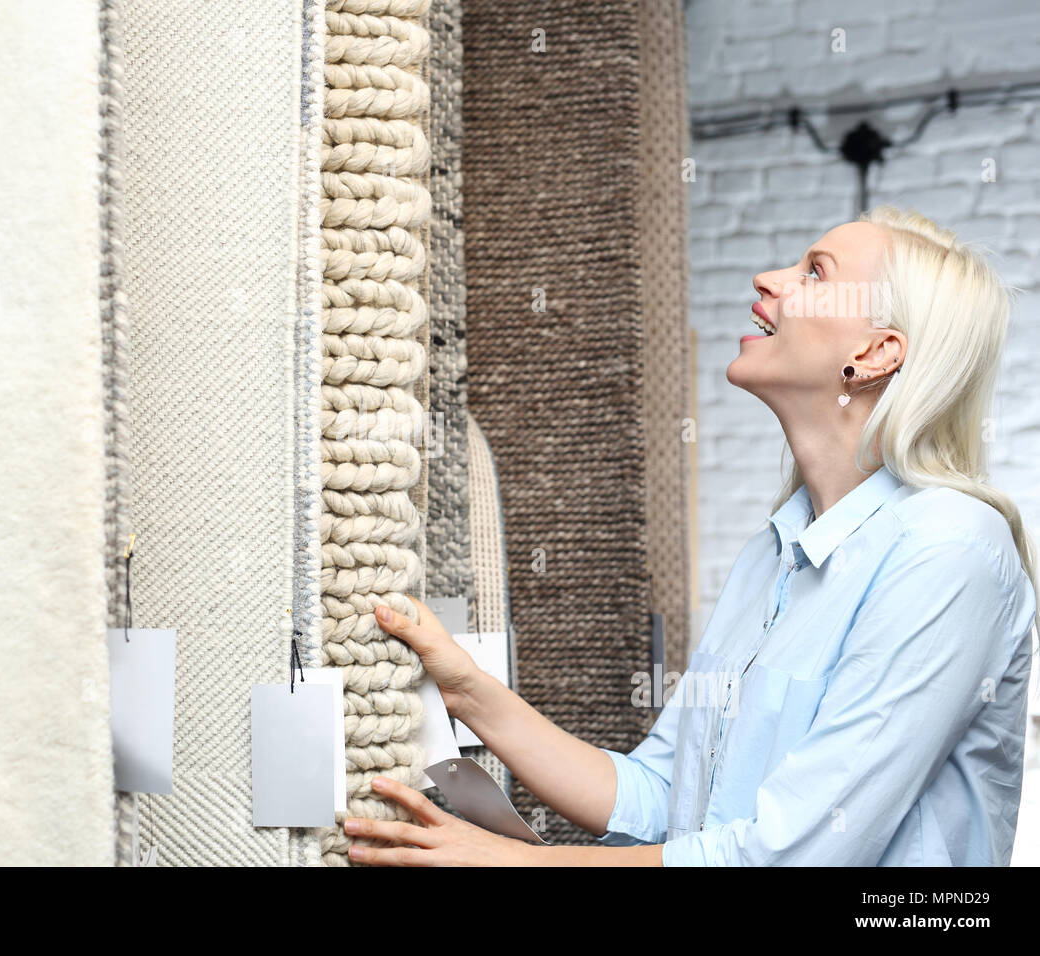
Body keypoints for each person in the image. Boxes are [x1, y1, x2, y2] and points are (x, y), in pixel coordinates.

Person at [342, 206, 1039, 866]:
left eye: (816, 272)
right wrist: (469, 694)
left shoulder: (950, 550)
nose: (770, 280)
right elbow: (660, 798)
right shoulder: (773, 553)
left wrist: (520, 864)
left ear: (877, 352)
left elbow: (793, 854)